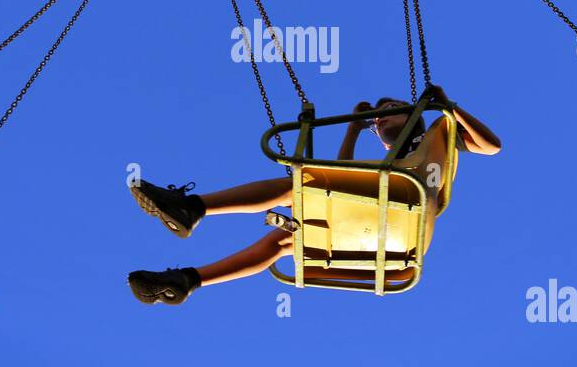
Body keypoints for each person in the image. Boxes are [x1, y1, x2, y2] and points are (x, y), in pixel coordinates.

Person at [125, 83, 500, 305]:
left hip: (405, 207)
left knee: (302, 186)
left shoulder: (438, 132)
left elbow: (491, 147)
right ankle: (188, 280)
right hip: (382, 229)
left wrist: (448, 107)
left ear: (413, 114)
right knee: (284, 239)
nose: (380, 119)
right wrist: (354, 129)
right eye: (376, 120)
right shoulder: (389, 161)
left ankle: (191, 208)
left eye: (389, 111)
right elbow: (341, 171)